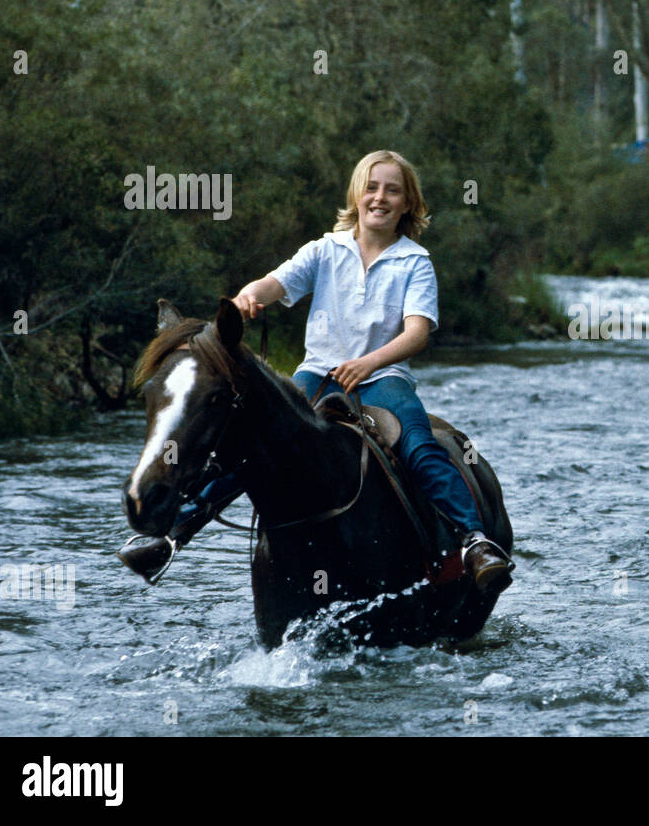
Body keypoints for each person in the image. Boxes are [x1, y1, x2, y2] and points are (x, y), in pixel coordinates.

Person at [173, 151, 510, 592]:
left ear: (408, 202)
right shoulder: (325, 250)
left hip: (384, 379)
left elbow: (417, 333)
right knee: (260, 444)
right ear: (356, 193)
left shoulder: (415, 262)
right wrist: (247, 297)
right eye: (372, 187)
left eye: (392, 190)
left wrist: (369, 362)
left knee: (418, 446)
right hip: (317, 372)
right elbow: (274, 283)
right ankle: (176, 529)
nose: (380, 197)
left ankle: (474, 540)